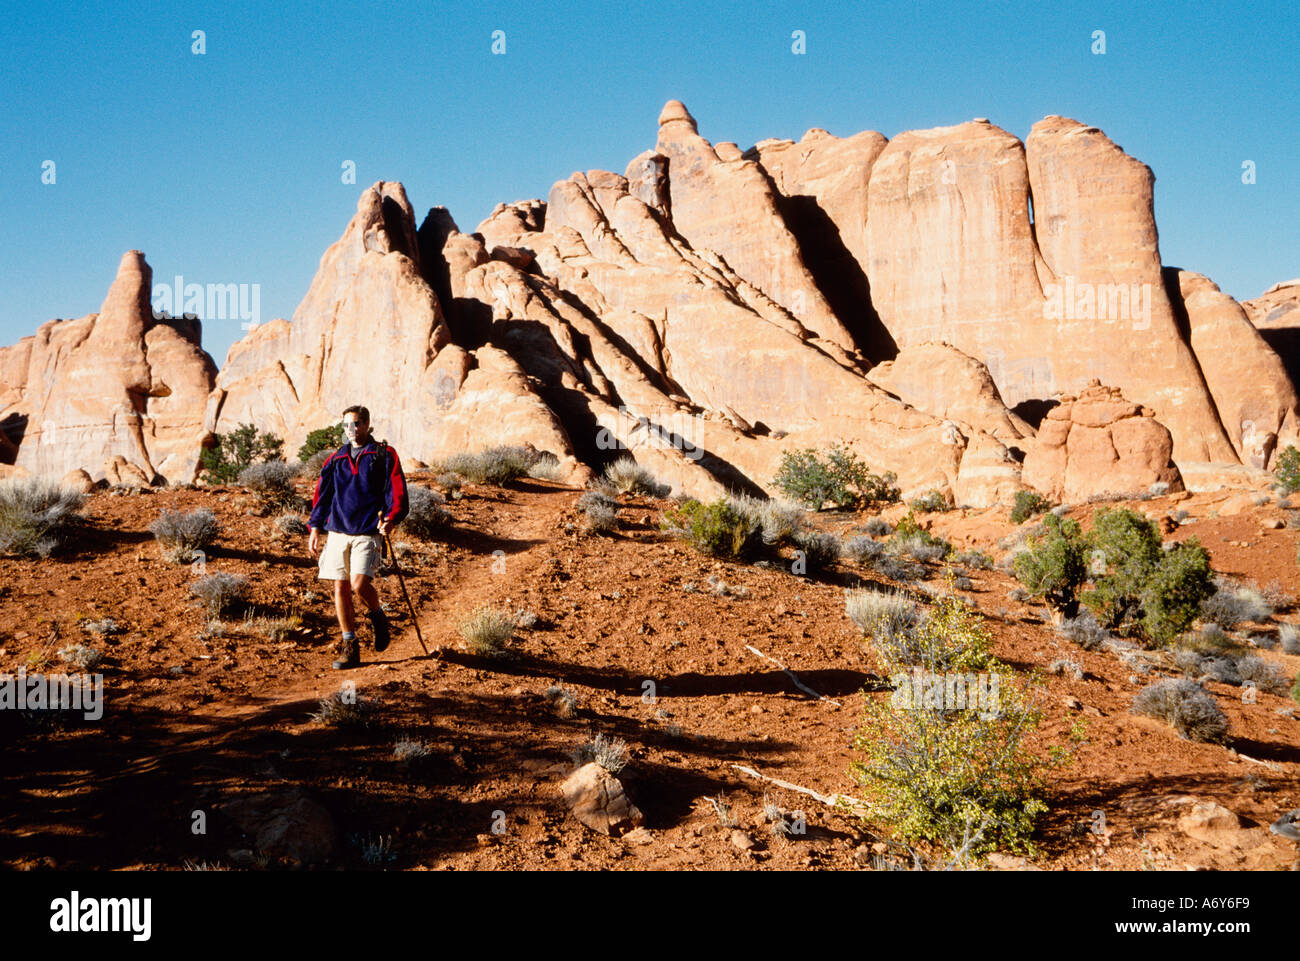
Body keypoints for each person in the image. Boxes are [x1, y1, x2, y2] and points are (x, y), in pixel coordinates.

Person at [307, 405, 409, 669]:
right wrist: (315, 527)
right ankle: (350, 645)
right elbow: (323, 494)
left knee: (359, 584)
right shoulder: (336, 458)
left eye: (355, 424)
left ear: (366, 425)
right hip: (338, 530)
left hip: (367, 530)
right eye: (346, 426)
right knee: (339, 586)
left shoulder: (384, 455)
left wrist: (391, 519)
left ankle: (378, 616)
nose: (350, 430)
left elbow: (395, 491)